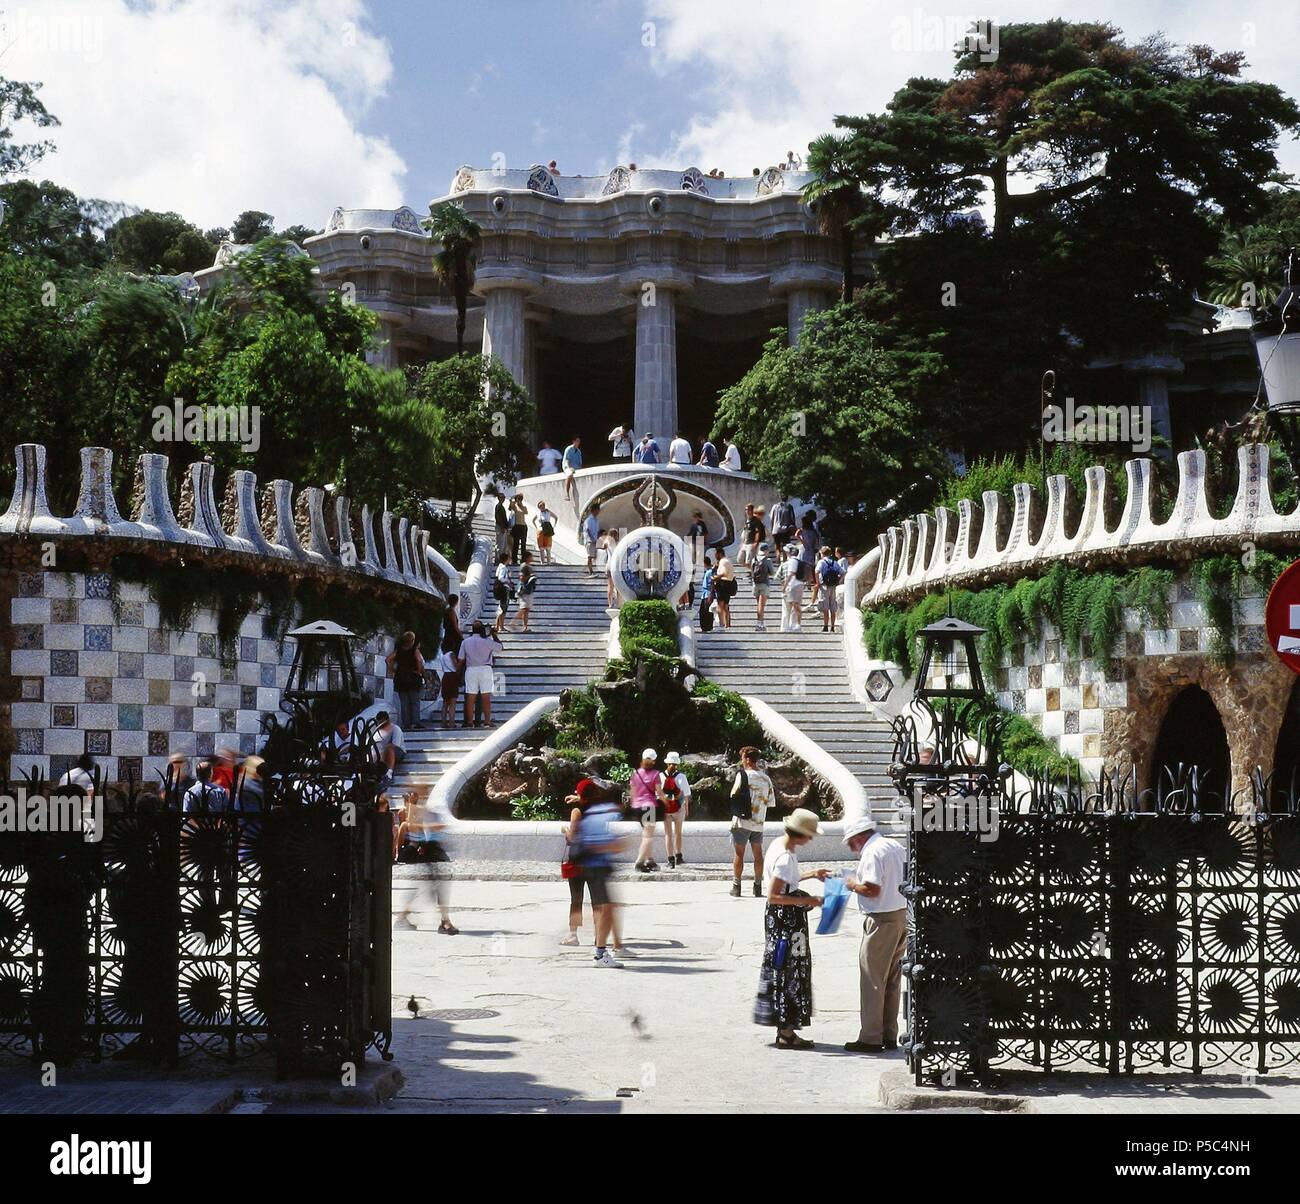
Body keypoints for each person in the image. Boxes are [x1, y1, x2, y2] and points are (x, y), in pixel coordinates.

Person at [755, 808, 827, 1050]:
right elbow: (775, 895)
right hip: (787, 922)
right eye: (810, 835)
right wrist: (809, 901)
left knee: (784, 965)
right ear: (801, 834)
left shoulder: (779, 846)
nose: (811, 839)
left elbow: (788, 881)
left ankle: (785, 1028)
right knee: (790, 968)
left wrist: (811, 874)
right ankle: (786, 1030)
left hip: (782, 920)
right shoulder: (785, 857)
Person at [842, 815, 908, 1053]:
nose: (851, 848)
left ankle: (870, 1037)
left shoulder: (872, 852)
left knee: (872, 980)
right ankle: (889, 1033)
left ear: (859, 838)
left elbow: (871, 888)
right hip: (901, 914)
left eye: (851, 843)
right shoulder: (894, 846)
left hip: (881, 919)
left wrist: (851, 884)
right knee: (892, 979)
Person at [562, 779, 633, 959]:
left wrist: (564, 830)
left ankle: (573, 935)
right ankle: (598, 939)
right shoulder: (597, 809)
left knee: (576, 898)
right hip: (596, 863)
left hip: (578, 860)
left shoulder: (577, 812)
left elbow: (572, 836)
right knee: (598, 903)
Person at [394, 792, 459, 935]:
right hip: (427, 854)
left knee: (426, 888)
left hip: (431, 853)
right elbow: (410, 828)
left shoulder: (422, 812)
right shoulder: (411, 813)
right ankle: (444, 922)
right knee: (435, 888)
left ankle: (403, 917)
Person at [729, 745, 775, 896]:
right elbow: (770, 802)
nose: (741, 761)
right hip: (759, 822)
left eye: (742, 758)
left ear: (748, 760)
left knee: (739, 854)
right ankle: (757, 886)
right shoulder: (766, 778)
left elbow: (733, 795)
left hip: (742, 821)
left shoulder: (742, 775)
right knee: (758, 854)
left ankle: (737, 886)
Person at [458, 620, 498, 728]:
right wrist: (493, 634)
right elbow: (500, 647)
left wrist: (458, 671)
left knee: (470, 697)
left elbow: (461, 658)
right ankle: (487, 721)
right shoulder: (487, 641)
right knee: (486, 697)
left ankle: (470, 722)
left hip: (471, 669)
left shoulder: (466, 642)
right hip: (485, 669)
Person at [630, 748, 662, 873]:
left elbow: (632, 791)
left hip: (637, 807)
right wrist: (664, 801)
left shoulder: (636, 774)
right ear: (653, 760)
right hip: (649, 806)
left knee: (646, 834)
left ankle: (650, 859)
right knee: (648, 836)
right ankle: (639, 861)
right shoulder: (655, 774)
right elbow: (659, 792)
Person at [387, 630, 426, 731]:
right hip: (413, 678)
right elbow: (419, 661)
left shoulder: (398, 650)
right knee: (414, 701)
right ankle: (415, 722)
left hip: (400, 678)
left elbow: (388, 659)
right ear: (412, 640)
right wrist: (419, 671)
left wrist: (393, 670)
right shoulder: (414, 650)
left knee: (404, 703)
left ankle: (406, 724)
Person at [658, 751, 691, 868]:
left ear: (667, 763)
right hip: (678, 808)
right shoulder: (682, 777)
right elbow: (686, 795)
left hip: (666, 809)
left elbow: (658, 794)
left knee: (668, 834)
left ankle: (670, 860)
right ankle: (679, 856)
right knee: (678, 833)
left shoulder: (660, 776)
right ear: (677, 764)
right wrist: (686, 808)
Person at [368, 711, 406, 784]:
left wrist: (382, 753)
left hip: (397, 752)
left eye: (382, 721)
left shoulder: (395, 728)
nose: (380, 724)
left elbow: (395, 745)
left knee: (389, 747)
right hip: (380, 754)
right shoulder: (376, 731)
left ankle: (389, 773)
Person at [815, 545, 843, 633]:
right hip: (833, 586)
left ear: (822, 553)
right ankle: (832, 627)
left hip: (824, 586)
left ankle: (826, 626)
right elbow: (843, 572)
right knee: (832, 607)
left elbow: (816, 571)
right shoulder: (834, 562)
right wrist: (838, 581)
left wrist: (818, 583)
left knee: (825, 607)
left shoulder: (821, 562)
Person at [779, 542, 806, 632]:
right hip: (799, 584)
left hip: (793, 585)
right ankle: (794, 625)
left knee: (793, 606)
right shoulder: (799, 561)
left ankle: (793, 626)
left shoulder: (792, 561)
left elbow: (790, 574)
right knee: (795, 606)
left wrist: (784, 586)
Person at [751, 540, 776, 631]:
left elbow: (752, 571)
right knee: (762, 605)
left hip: (755, 584)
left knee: (758, 604)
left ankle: (759, 623)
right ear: (766, 550)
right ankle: (760, 624)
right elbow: (772, 572)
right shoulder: (767, 560)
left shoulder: (754, 559)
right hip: (764, 583)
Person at [509, 554, 538, 632]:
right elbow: (521, 577)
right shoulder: (524, 566)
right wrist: (530, 577)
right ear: (527, 557)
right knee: (524, 609)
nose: (532, 558)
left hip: (528, 590)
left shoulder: (528, 566)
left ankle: (525, 627)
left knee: (526, 609)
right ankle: (513, 623)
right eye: (531, 556)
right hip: (524, 590)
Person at [437, 645, 461, 725]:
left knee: (445, 702)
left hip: (445, 676)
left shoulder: (442, 656)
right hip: (452, 677)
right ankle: (451, 722)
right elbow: (456, 666)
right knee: (452, 701)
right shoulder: (451, 654)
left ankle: (443, 722)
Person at [713, 551, 737, 629]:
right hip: (728, 584)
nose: (715, 556)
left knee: (720, 605)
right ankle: (728, 624)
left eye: (716, 554)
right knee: (726, 606)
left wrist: (715, 578)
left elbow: (723, 573)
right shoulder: (728, 560)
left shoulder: (723, 561)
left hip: (722, 585)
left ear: (719, 554)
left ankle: (721, 624)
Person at [492, 553, 514, 635]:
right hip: (504, 590)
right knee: (503, 608)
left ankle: (498, 626)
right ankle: (501, 626)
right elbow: (501, 578)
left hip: (500, 589)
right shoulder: (504, 568)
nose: (510, 560)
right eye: (509, 558)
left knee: (501, 608)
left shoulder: (500, 566)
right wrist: (508, 581)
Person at [601, 528, 621, 608]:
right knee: (618, 586)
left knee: (610, 586)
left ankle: (610, 604)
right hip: (616, 566)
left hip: (609, 565)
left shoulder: (607, 542)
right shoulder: (619, 543)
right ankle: (618, 603)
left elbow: (603, 547)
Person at [697, 554, 716, 632]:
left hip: (707, 594)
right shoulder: (709, 571)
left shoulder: (709, 572)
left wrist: (710, 595)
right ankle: (706, 627)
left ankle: (707, 627)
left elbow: (712, 584)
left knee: (706, 612)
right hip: (705, 594)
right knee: (704, 611)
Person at [509, 494, 529, 565]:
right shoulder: (514, 506)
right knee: (516, 544)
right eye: (518, 499)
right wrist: (513, 498)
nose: (519, 501)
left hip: (523, 526)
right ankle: (514, 560)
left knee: (523, 544)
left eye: (520, 499)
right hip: (516, 526)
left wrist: (521, 504)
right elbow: (510, 506)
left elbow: (526, 512)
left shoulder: (524, 507)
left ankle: (523, 560)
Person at [582, 504, 601, 576]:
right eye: (597, 510)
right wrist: (592, 539)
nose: (598, 512)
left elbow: (597, 530)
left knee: (594, 556)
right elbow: (588, 530)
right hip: (590, 541)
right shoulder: (589, 520)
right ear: (594, 510)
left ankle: (589, 568)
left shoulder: (597, 520)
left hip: (595, 540)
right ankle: (590, 571)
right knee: (590, 556)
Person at [562, 436, 583, 501]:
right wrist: (570, 468)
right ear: (573, 441)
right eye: (577, 441)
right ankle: (566, 494)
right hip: (567, 467)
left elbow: (580, 463)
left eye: (579, 441)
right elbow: (567, 460)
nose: (578, 442)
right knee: (570, 474)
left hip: (576, 468)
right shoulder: (569, 449)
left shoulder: (579, 451)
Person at [492, 491, 510, 559]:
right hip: (500, 527)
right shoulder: (498, 506)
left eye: (504, 497)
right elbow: (498, 518)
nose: (503, 499)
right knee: (500, 544)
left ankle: (501, 558)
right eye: (502, 497)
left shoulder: (502, 506)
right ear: (499, 498)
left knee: (503, 545)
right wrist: (502, 527)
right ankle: (498, 558)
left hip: (503, 527)